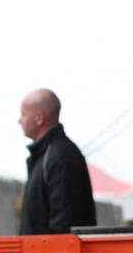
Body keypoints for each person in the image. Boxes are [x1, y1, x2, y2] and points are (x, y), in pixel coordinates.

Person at [17, 89, 95, 235]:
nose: (19, 120)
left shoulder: (60, 157)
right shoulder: (48, 155)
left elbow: (64, 227)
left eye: (23, 114)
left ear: (39, 118)